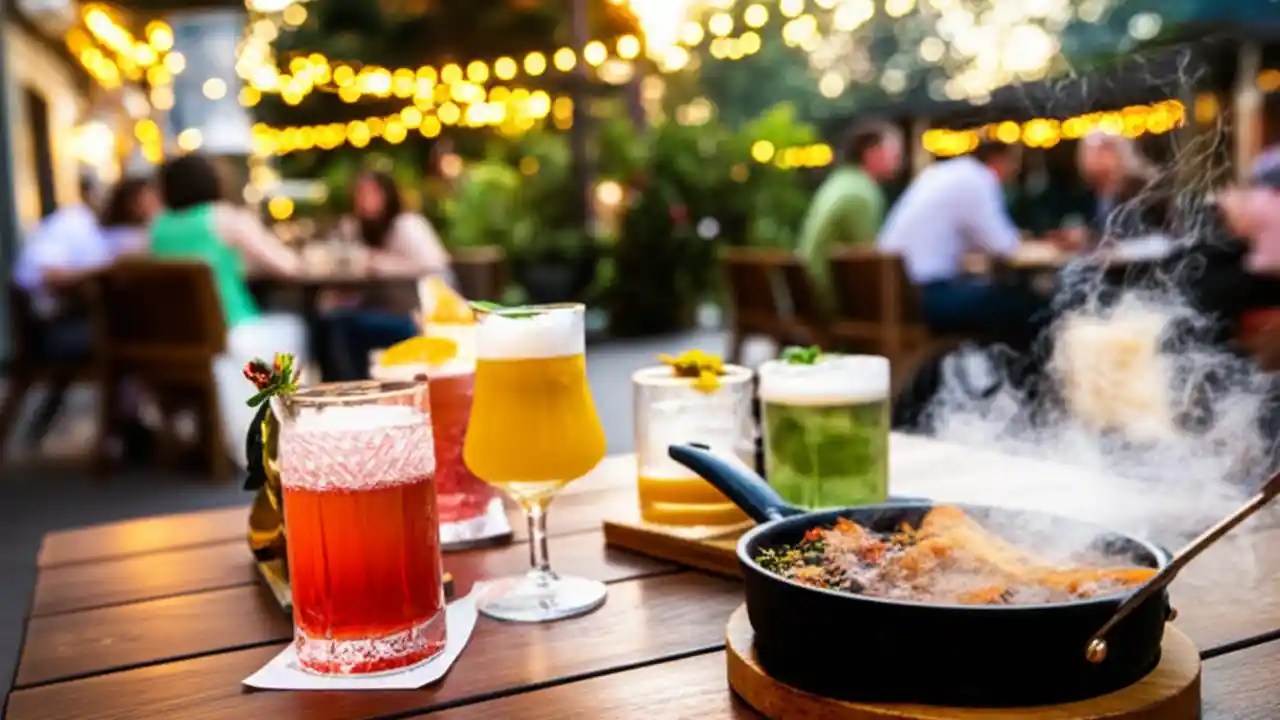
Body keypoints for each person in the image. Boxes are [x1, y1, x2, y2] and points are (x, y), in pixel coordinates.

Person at [149, 154, 307, 468]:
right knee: (294, 326)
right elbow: (288, 266)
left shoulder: (156, 229)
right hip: (230, 333)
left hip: (176, 341)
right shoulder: (223, 218)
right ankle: (283, 428)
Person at [878, 141, 1046, 348]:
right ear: (997, 161)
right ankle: (1020, 376)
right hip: (925, 297)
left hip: (898, 294)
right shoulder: (977, 180)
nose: (1012, 173)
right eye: (1011, 165)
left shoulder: (942, 173)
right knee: (1028, 305)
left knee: (1002, 299)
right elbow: (1004, 246)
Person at [318, 170, 452, 380]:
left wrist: (380, 263)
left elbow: (435, 264)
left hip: (416, 316)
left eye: (371, 193)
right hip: (381, 310)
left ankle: (354, 389)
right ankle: (347, 388)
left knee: (340, 327)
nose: (364, 200)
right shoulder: (359, 228)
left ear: (388, 195)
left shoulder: (407, 224)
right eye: (360, 194)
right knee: (327, 320)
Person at [14, 176, 159, 358]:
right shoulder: (72, 221)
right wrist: (106, 270)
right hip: (57, 327)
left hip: (81, 320)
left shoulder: (109, 234)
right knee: (142, 333)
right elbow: (49, 274)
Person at [796, 121, 903, 303]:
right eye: (894, 152)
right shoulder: (861, 193)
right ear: (871, 153)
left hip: (809, 294)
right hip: (831, 301)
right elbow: (871, 260)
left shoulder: (839, 182)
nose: (899, 159)